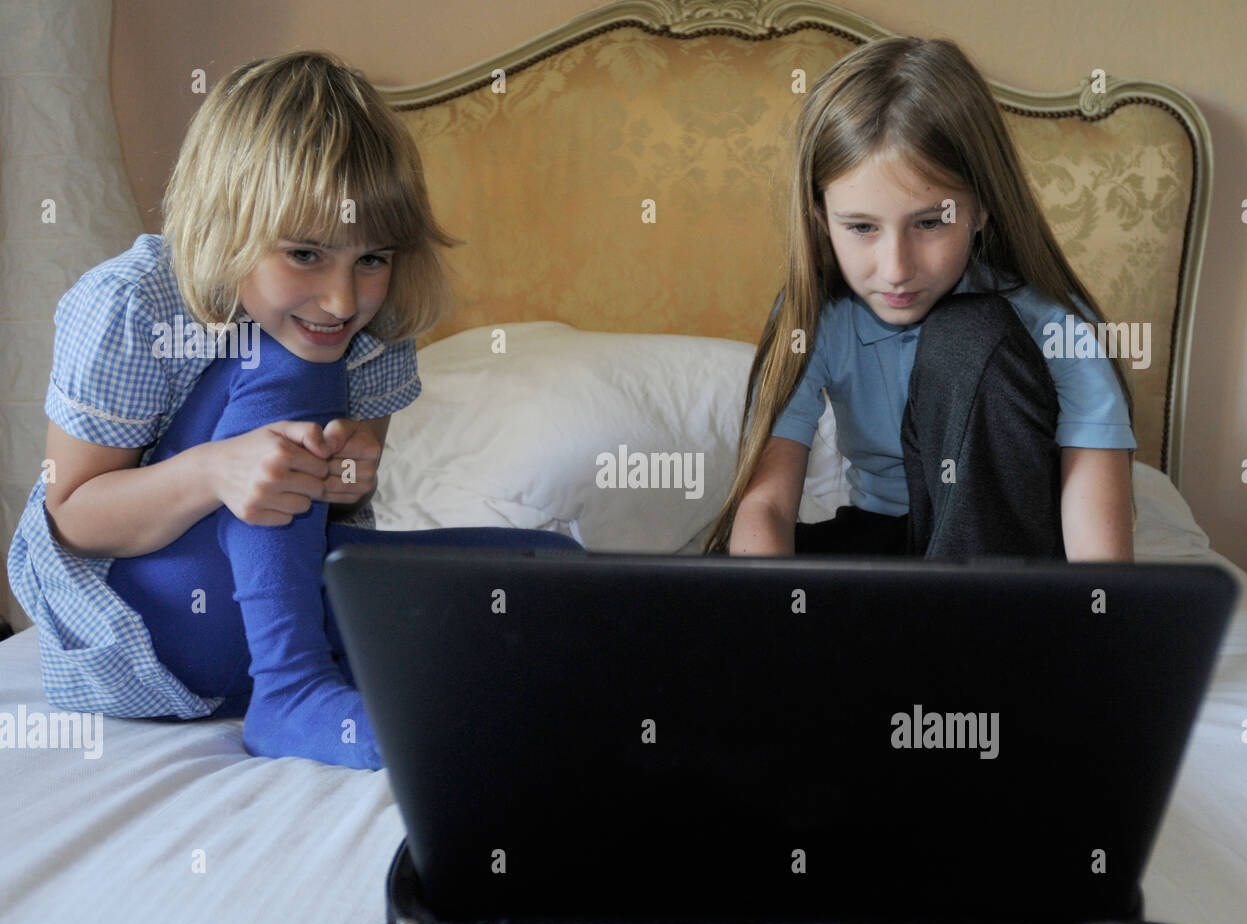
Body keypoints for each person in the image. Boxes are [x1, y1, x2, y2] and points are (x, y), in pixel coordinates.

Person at [7, 52, 578, 770]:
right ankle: (293, 694)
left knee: (552, 581)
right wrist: (213, 471)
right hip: (145, 633)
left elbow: (315, 516)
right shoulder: (132, 302)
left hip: (259, 618)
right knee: (289, 355)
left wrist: (350, 474)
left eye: (372, 258)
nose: (342, 300)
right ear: (228, 223)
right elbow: (73, 518)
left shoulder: (374, 327)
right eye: (306, 253)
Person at [705, 37, 1137, 560]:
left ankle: (967, 625)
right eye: (861, 227)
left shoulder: (1055, 325)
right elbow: (765, 507)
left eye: (930, 223)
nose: (896, 270)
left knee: (969, 336)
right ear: (821, 219)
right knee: (710, 594)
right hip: (886, 541)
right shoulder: (816, 312)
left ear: (982, 209)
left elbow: (1101, 563)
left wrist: (1094, 621)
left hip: (1005, 558)